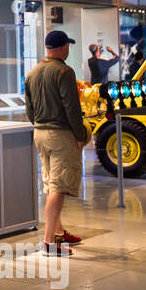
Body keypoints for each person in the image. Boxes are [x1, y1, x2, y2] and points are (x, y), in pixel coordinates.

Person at [24, 30, 88, 255]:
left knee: (51, 184)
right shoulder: (64, 72)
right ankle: (49, 243)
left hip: (39, 133)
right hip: (60, 135)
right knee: (59, 187)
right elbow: (72, 108)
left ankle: (59, 232)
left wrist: (39, 124)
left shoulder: (32, 73)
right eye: (67, 46)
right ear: (62, 48)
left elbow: (29, 110)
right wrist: (80, 136)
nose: (68, 49)